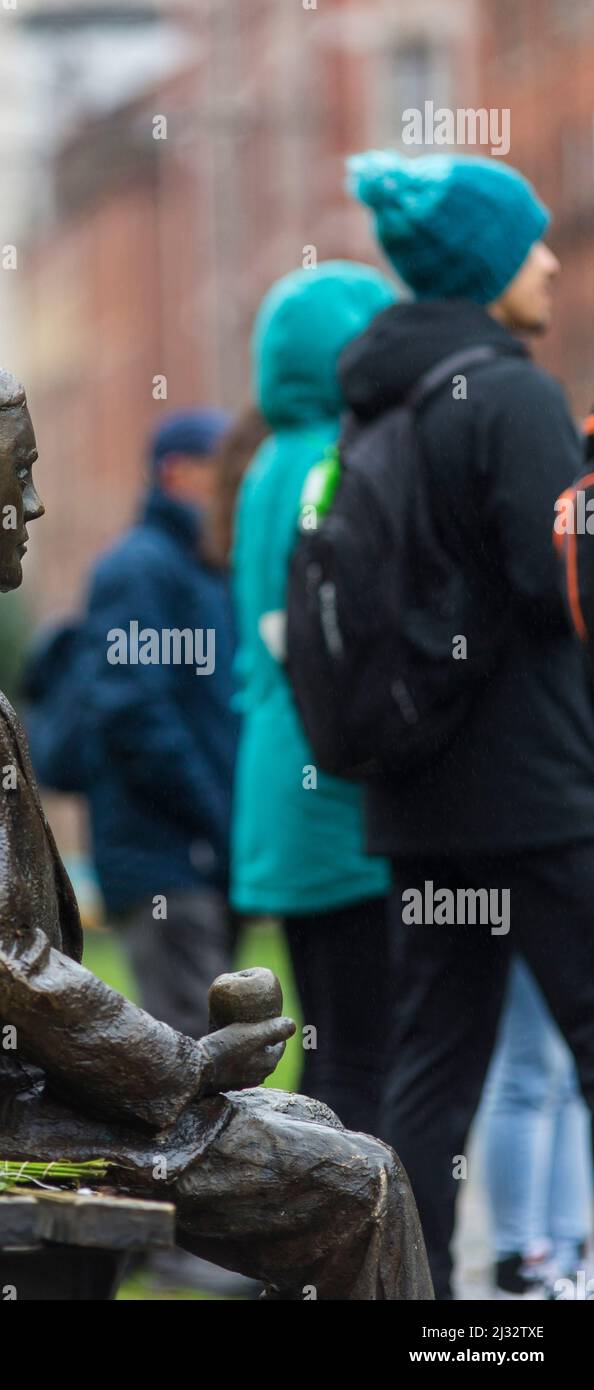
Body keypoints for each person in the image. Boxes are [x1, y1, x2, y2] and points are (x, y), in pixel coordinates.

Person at [0, 355, 432, 1300]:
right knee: (363, 1188)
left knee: (312, 1121)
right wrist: (180, 1062)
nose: (34, 504)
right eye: (17, 474)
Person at [339, 149, 594, 1299]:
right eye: (531, 242)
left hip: (417, 795)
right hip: (538, 793)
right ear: (487, 266)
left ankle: (415, 1302)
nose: (548, 260)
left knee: (430, 1071)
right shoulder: (509, 394)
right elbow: (554, 585)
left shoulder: (377, 406)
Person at [229, 262, 396, 1135]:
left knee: (332, 1043)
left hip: (279, 791)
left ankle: (305, 1256)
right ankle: (341, 1254)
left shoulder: (266, 465)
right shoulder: (329, 465)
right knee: (364, 1055)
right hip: (333, 798)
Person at [81, 411, 238, 1042]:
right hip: (166, 859)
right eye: (220, 472)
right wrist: (215, 817)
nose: (232, 488)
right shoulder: (140, 570)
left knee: (217, 1051)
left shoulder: (198, 565)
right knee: (194, 1057)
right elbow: (135, 714)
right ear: (178, 473)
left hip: (197, 855)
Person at [478, 957, 592, 1298]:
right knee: (529, 1070)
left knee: (571, 1074)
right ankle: (520, 1264)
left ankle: (567, 1257)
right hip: (527, 910)